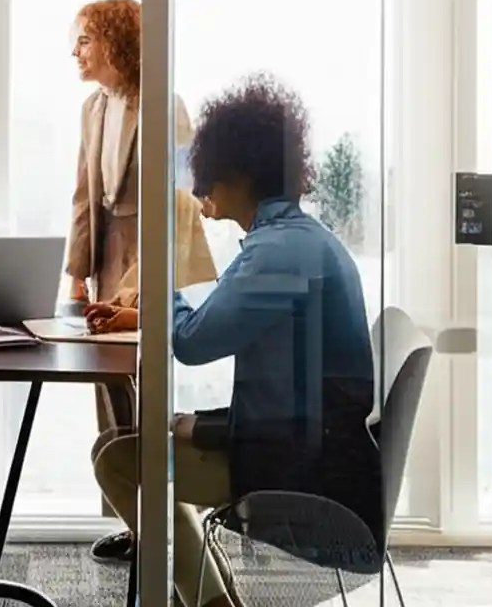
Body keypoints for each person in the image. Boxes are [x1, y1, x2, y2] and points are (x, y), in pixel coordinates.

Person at [91, 74, 380, 606]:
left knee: (117, 460)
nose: (199, 185)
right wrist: (149, 305)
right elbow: (220, 320)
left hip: (303, 468)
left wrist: (160, 285)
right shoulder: (297, 242)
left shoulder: (280, 253)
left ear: (238, 172)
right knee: (129, 444)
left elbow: (192, 342)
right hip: (307, 439)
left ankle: (213, 603)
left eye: (207, 169)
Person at [67, 0, 217, 563]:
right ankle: (134, 521)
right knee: (107, 389)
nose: (76, 51)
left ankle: (164, 518)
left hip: (152, 247)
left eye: (84, 39)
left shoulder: (165, 103)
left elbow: (178, 204)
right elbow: (84, 196)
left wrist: (138, 283)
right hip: (108, 249)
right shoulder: (91, 107)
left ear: (114, 42)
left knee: (147, 385)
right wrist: (76, 275)